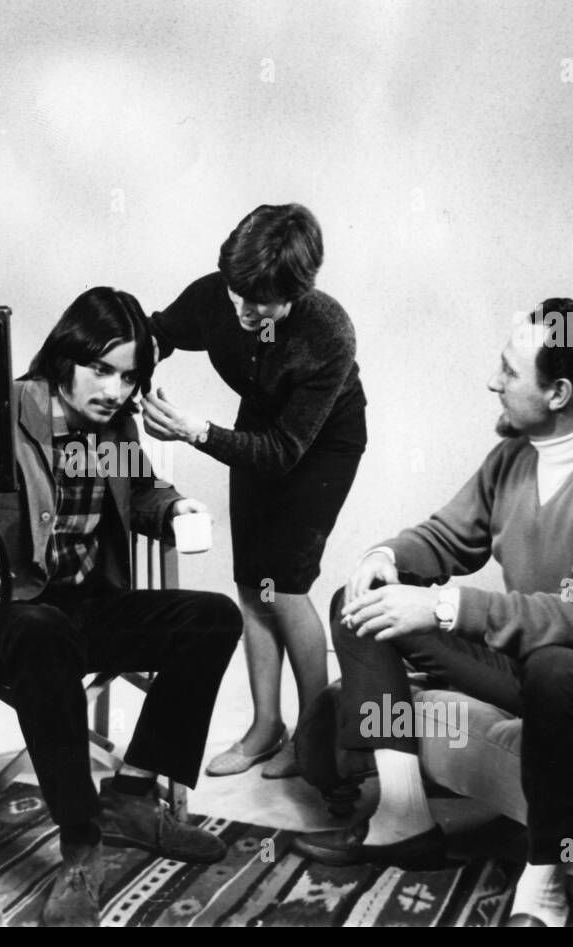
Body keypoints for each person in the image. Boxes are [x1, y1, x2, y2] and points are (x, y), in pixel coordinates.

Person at [291, 299, 573, 927]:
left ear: (559, 392)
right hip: (536, 669)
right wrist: (386, 556)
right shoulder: (519, 452)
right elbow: (448, 537)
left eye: (509, 371)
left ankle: (545, 888)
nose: (492, 381)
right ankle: (403, 819)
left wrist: (444, 605)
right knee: (360, 605)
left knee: (559, 670)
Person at [0, 286, 243, 927]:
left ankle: (131, 794)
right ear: (66, 355)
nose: (114, 389)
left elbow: (142, 491)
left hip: (82, 610)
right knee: (44, 632)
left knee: (214, 617)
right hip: (4, 615)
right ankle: (81, 836)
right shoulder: (1, 410)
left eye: (128, 376)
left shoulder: (113, 429)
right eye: (101, 368)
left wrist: (174, 506)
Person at [143, 204, 366, 778]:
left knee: (286, 588)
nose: (243, 309)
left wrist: (194, 431)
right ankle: (267, 728)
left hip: (318, 444)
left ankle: (317, 739)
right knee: (252, 584)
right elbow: (156, 335)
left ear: (298, 290)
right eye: (237, 292)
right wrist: (132, 385)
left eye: (260, 301)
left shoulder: (328, 332)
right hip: (259, 429)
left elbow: (284, 452)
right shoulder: (222, 294)